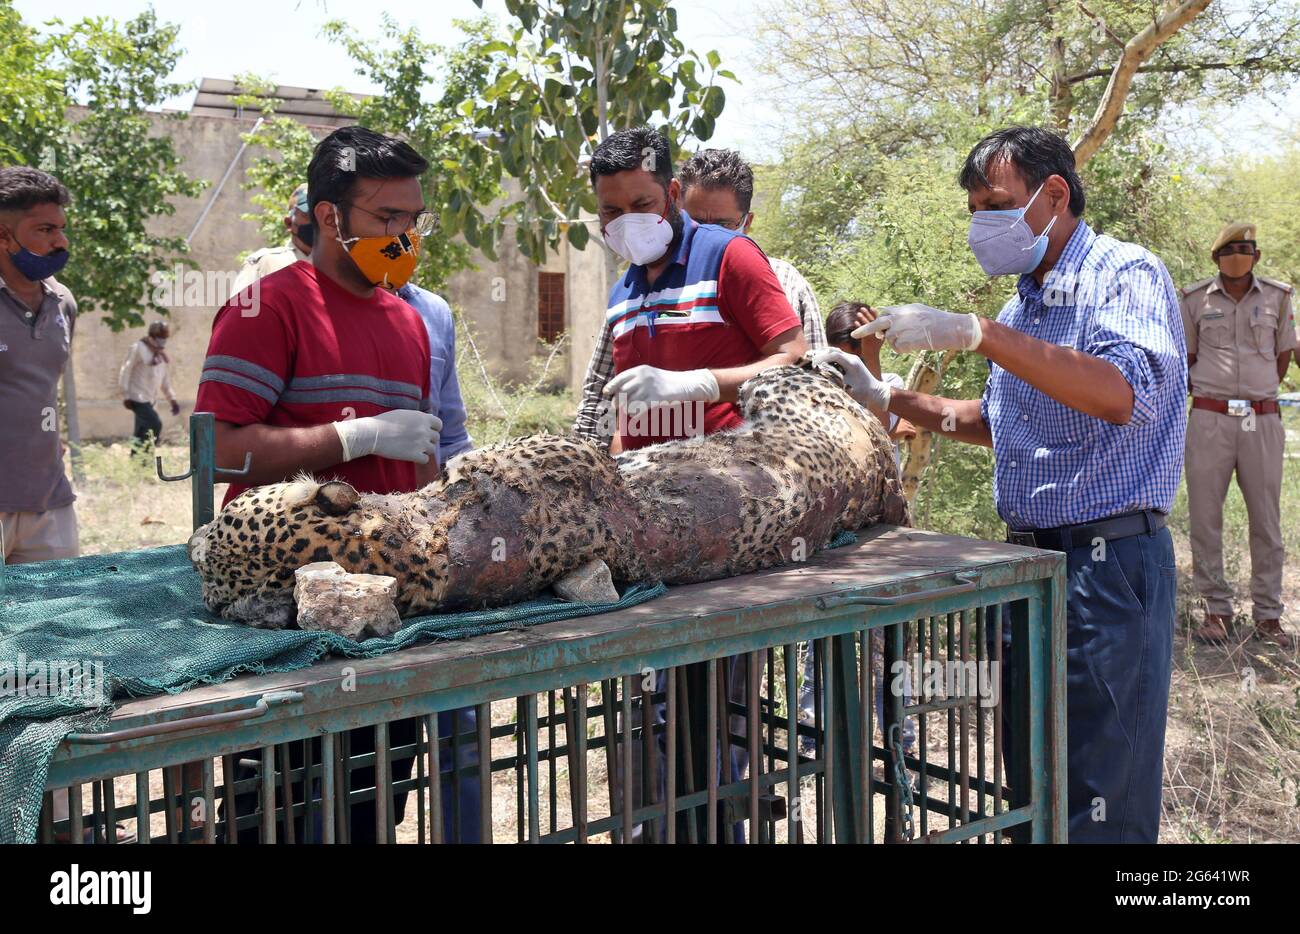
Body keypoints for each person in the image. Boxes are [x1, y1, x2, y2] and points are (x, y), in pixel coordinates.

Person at [813, 126, 1187, 843]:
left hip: (1108, 566)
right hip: (1032, 568)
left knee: (1099, 792)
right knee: (1033, 783)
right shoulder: (1026, 305)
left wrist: (978, 333)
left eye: (996, 203)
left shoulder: (1122, 274)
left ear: (1053, 195)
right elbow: (993, 420)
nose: (983, 223)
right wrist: (885, 395)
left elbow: (1118, 394)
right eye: (975, 209)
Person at [196, 125, 443, 843]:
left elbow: (421, 461)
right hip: (282, 621)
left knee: (369, 810)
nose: (404, 235)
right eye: (386, 219)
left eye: (412, 218)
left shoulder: (410, 319)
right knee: (271, 812)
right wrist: (355, 436)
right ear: (329, 216)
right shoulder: (267, 307)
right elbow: (220, 453)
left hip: (386, 617)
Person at [572, 126, 808, 453]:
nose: (629, 221)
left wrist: (700, 385)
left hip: (729, 487)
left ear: (672, 194)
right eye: (611, 211)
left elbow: (797, 362)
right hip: (638, 490)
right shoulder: (621, 295)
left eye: (642, 204)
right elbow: (608, 409)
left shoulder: (730, 256)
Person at [798, 301, 917, 758]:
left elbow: (886, 428)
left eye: (861, 340)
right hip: (833, 537)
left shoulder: (889, 386)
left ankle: (897, 742)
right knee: (822, 638)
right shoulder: (817, 392)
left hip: (884, 537)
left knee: (892, 644)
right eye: (847, 343)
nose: (854, 349)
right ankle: (816, 738)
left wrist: (871, 360)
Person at [1180, 222, 1297, 648]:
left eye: (1246, 248)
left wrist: (1251, 395)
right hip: (1210, 417)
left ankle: (1268, 616)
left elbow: (1283, 359)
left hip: (1260, 419)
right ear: (1216, 258)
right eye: (1230, 250)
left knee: (1266, 520)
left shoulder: (1279, 297)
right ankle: (1217, 611)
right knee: (1205, 519)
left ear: (1257, 255)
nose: (1238, 255)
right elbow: (1187, 358)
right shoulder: (1194, 299)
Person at [677, 148, 827, 353]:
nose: (708, 235)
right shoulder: (657, 281)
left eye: (723, 225)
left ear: (746, 223)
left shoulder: (786, 281)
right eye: (698, 223)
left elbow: (816, 372)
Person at [227, 183, 314, 298]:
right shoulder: (265, 263)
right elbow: (242, 311)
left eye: (321, 214)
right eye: (308, 215)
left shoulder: (339, 267)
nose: (316, 222)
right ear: (289, 223)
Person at [119, 319, 180, 451]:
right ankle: (144, 457)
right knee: (155, 424)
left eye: (165, 337)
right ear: (152, 336)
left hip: (150, 399)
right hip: (136, 397)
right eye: (160, 337)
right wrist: (125, 395)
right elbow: (126, 371)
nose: (163, 340)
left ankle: (139, 462)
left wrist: (172, 400)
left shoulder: (160, 355)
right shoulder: (138, 348)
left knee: (142, 431)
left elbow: (164, 380)